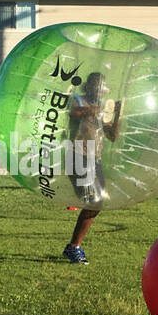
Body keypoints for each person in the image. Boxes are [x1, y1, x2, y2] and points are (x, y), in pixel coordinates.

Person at [62, 71, 122, 265]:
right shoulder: (78, 100)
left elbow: (112, 135)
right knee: (93, 201)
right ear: (88, 87)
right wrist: (95, 110)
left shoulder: (102, 109)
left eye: (102, 87)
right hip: (77, 155)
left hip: (94, 160)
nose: (100, 91)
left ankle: (73, 247)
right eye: (96, 86)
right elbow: (74, 113)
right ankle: (74, 247)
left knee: (97, 203)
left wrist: (118, 113)